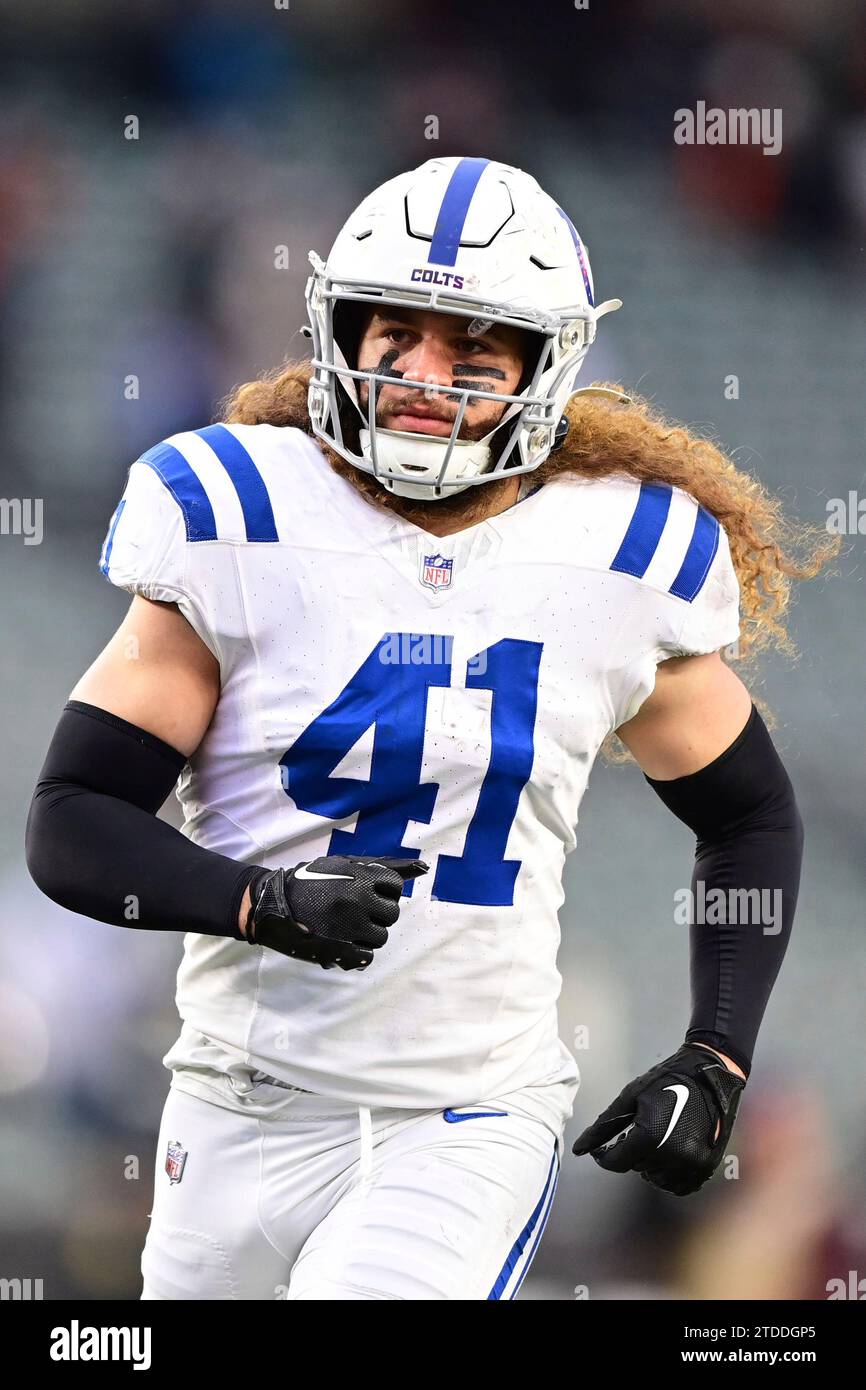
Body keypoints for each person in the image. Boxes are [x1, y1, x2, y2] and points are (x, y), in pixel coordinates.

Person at [26, 156, 825, 1300]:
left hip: (463, 1114)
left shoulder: (616, 558)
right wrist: (264, 900)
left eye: (471, 349)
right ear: (337, 331)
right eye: (394, 331)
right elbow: (73, 820)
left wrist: (717, 1051)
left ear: (543, 369)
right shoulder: (235, 513)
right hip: (233, 1100)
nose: (420, 375)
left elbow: (749, 813)